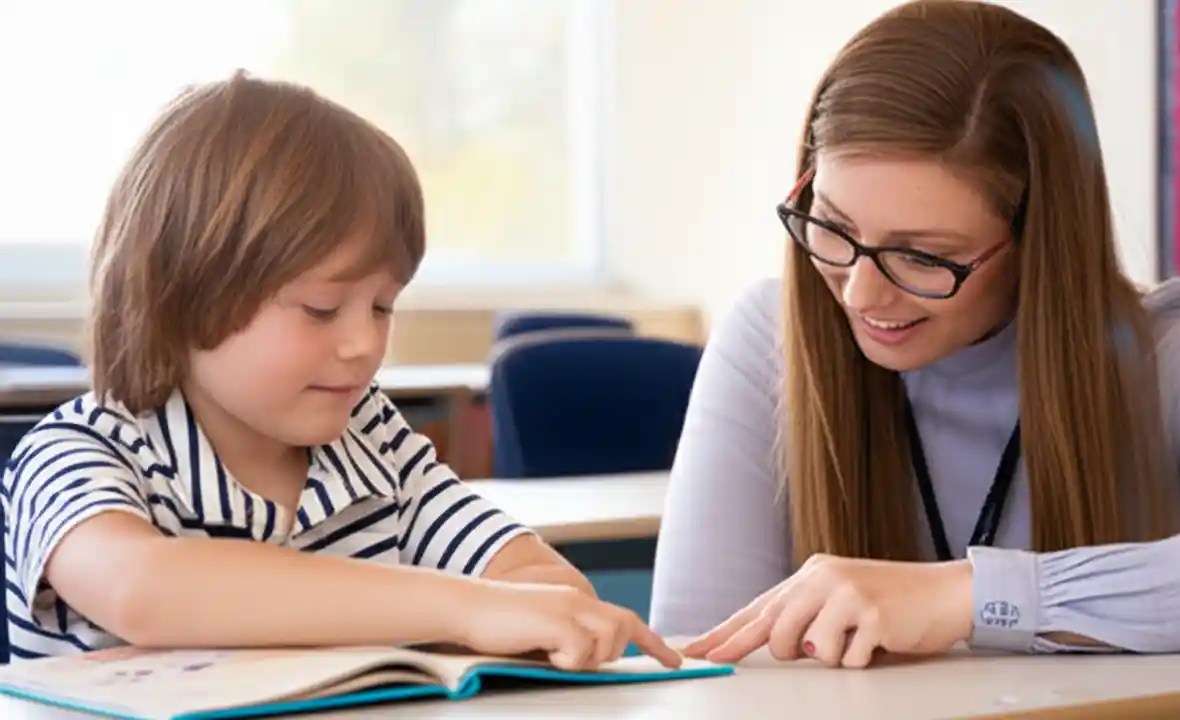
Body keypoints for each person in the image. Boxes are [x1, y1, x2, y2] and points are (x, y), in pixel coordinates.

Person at [651, 0, 1180, 668]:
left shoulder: (1173, 359)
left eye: (922, 257)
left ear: (1040, 244)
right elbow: (698, 657)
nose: (861, 294)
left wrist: (978, 596)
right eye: (832, 226)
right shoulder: (767, 341)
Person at [2, 71, 679, 671]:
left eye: (383, 305)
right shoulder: (74, 453)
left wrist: (528, 612)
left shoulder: (372, 441)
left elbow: (544, 589)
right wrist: (462, 611)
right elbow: (144, 591)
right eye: (322, 309)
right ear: (181, 294)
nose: (364, 343)